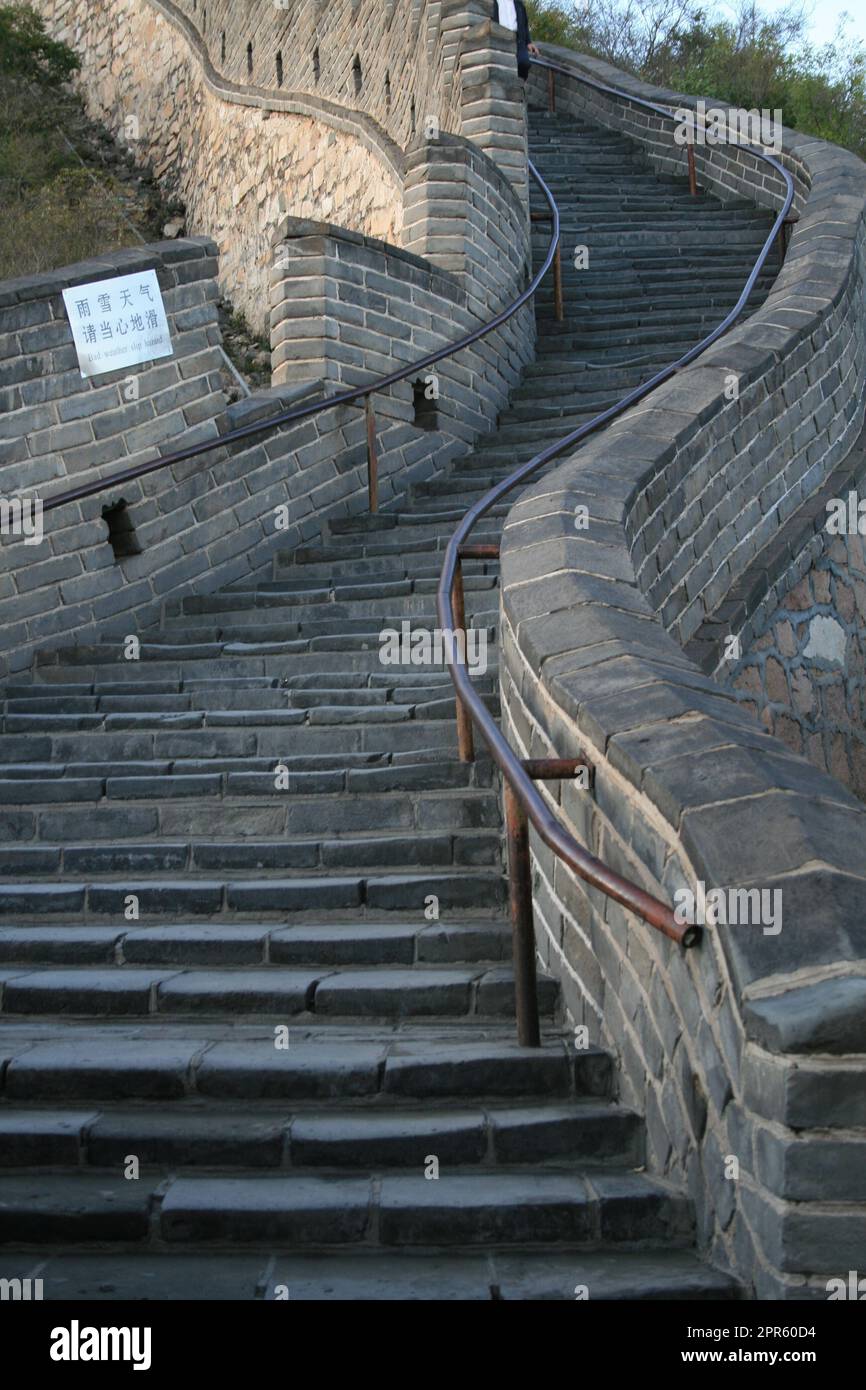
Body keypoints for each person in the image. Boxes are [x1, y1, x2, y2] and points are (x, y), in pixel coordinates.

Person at [493, 1, 540, 81]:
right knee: (502, 67)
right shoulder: (493, 2)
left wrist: (528, 42)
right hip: (499, 37)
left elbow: (524, 23)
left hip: (518, 38)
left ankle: (519, 88)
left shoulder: (518, 3)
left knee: (524, 63)